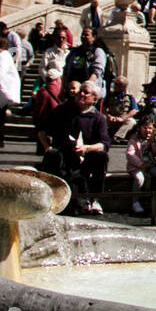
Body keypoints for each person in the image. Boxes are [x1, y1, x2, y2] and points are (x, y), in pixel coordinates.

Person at [37, 81, 110, 214]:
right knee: (53, 156)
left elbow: (104, 144)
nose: (81, 94)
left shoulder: (98, 118)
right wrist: (47, 147)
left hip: (86, 156)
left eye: (86, 92)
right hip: (65, 156)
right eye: (81, 90)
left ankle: (94, 200)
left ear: (94, 98)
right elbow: (42, 130)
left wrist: (87, 148)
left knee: (101, 156)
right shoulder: (63, 110)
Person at [0, 35, 21, 149]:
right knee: (0, 118)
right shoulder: (7, 56)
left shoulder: (1, 57)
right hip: (5, 90)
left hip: (0, 91)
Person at [125, 113, 156, 214]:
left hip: (149, 164)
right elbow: (130, 154)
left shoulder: (151, 139)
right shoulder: (134, 139)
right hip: (136, 166)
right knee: (139, 178)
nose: (147, 131)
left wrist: (155, 143)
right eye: (145, 128)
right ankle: (135, 202)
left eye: (150, 128)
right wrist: (141, 165)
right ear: (139, 128)